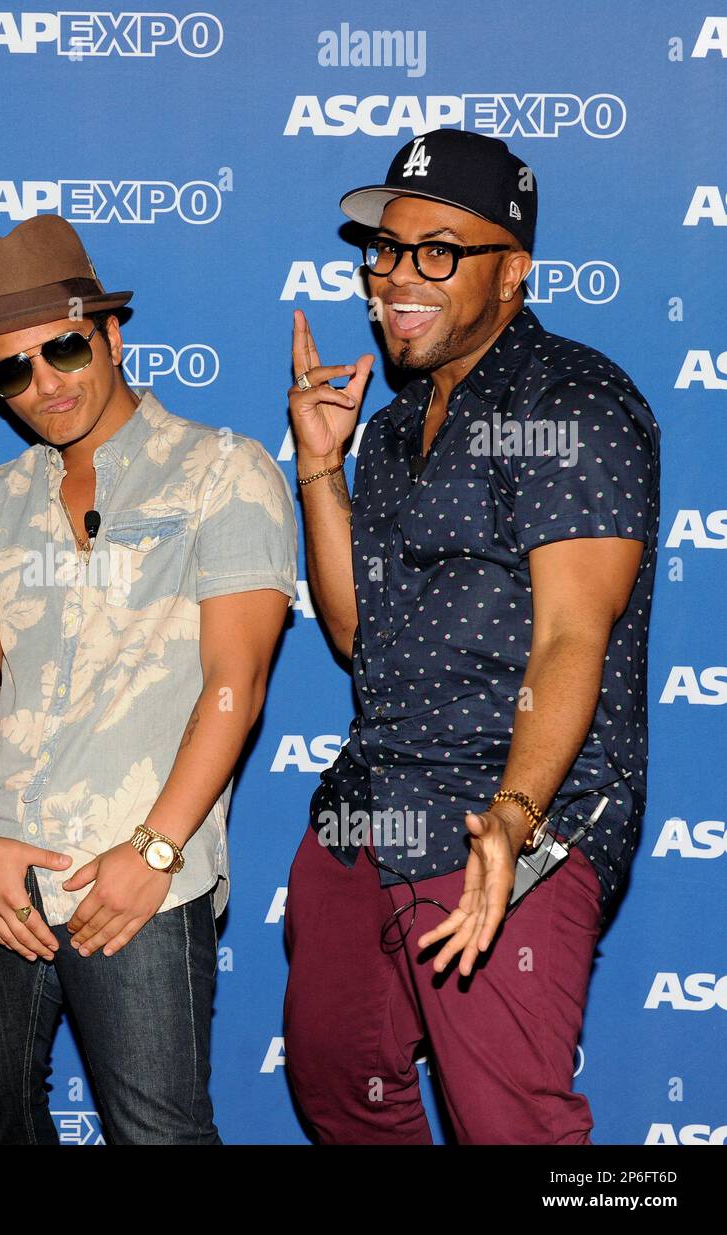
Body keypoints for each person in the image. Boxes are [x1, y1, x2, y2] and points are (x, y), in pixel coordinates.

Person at [283, 128, 659, 1144]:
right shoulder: (400, 424)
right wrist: (321, 469)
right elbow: (360, 634)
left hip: (503, 816)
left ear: (514, 272)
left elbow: (572, 636)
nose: (400, 276)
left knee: (511, 1126)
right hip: (368, 808)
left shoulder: (572, 401)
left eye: (438, 251)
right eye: (389, 249)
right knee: (338, 1079)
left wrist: (514, 814)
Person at [0, 214, 297, 1144]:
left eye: (61, 348)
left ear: (110, 332)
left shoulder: (225, 472)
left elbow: (234, 680)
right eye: (11, 368)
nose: (42, 384)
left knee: (158, 1135)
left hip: (135, 886)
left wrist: (157, 853)